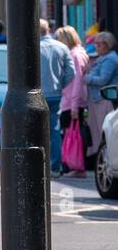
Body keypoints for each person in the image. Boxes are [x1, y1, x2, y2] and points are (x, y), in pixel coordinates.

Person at [39, 19, 73, 176]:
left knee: (36, 131)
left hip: (38, 95)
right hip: (56, 95)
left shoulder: (33, 48)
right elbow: (71, 72)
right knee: (54, 131)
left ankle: (39, 165)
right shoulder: (62, 47)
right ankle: (54, 166)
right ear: (48, 30)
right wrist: (60, 86)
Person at [56, 25, 91, 176]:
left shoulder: (74, 54)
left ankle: (76, 167)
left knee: (72, 136)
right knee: (73, 135)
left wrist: (75, 106)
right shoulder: (79, 52)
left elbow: (77, 81)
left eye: (59, 39)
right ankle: (74, 166)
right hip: (73, 101)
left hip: (72, 102)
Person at [84, 31, 117, 162]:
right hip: (97, 99)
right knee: (97, 132)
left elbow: (103, 79)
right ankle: (102, 159)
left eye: (98, 44)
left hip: (104, 100)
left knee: (102, 132)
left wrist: (86, 78)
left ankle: (105, 160)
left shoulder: (110, 59)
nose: (96, 46)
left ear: (107, 45)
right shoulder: (103, 58)